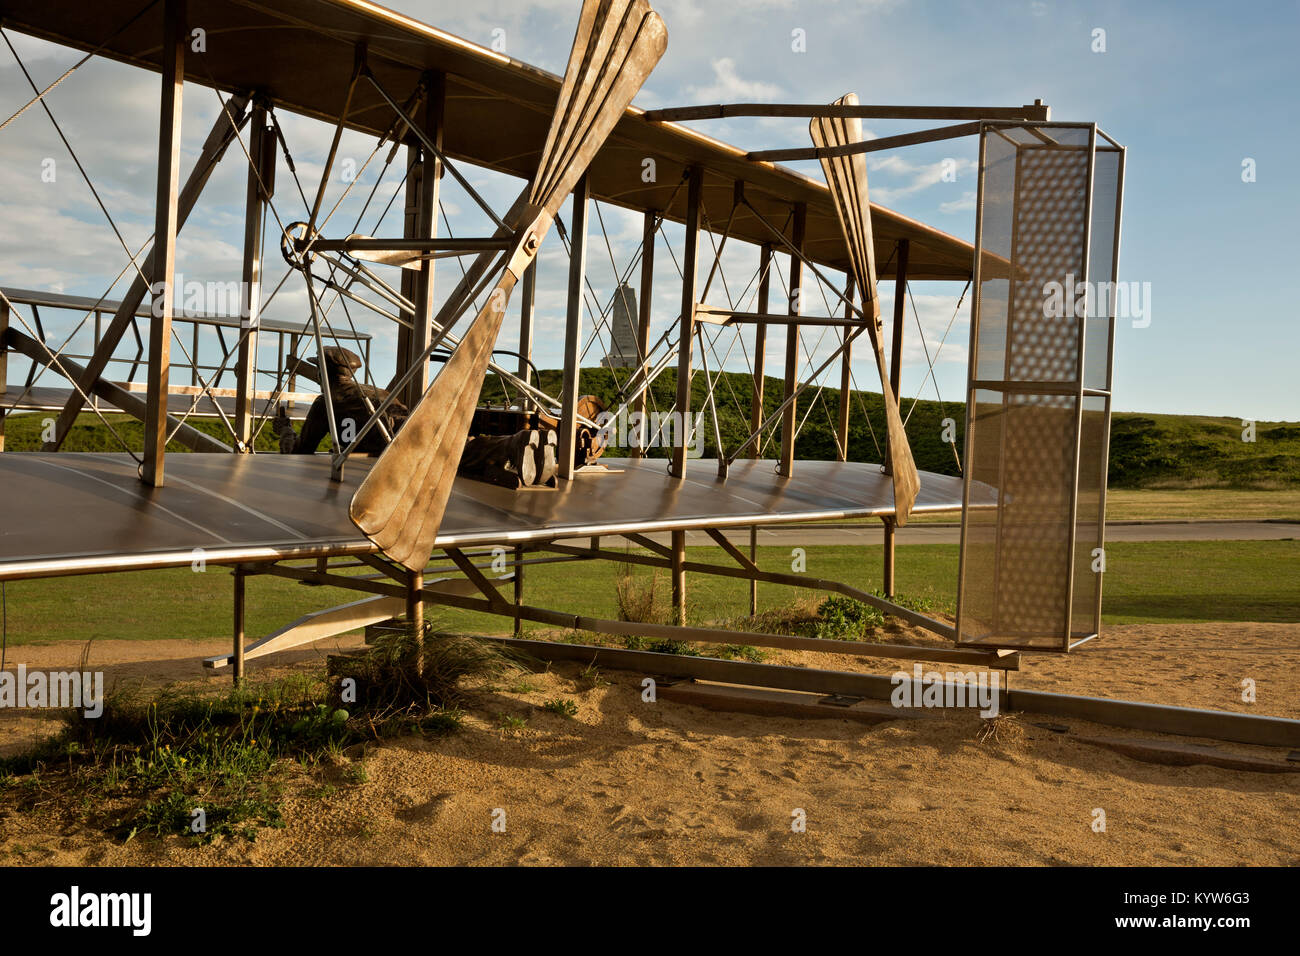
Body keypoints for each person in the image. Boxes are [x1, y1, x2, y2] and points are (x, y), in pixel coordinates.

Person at [274, 346, 407, 455]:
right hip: (394, 458)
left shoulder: (325, 403)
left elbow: (301, 450)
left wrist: (285, 431)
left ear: (321, 373)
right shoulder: (383, 394)